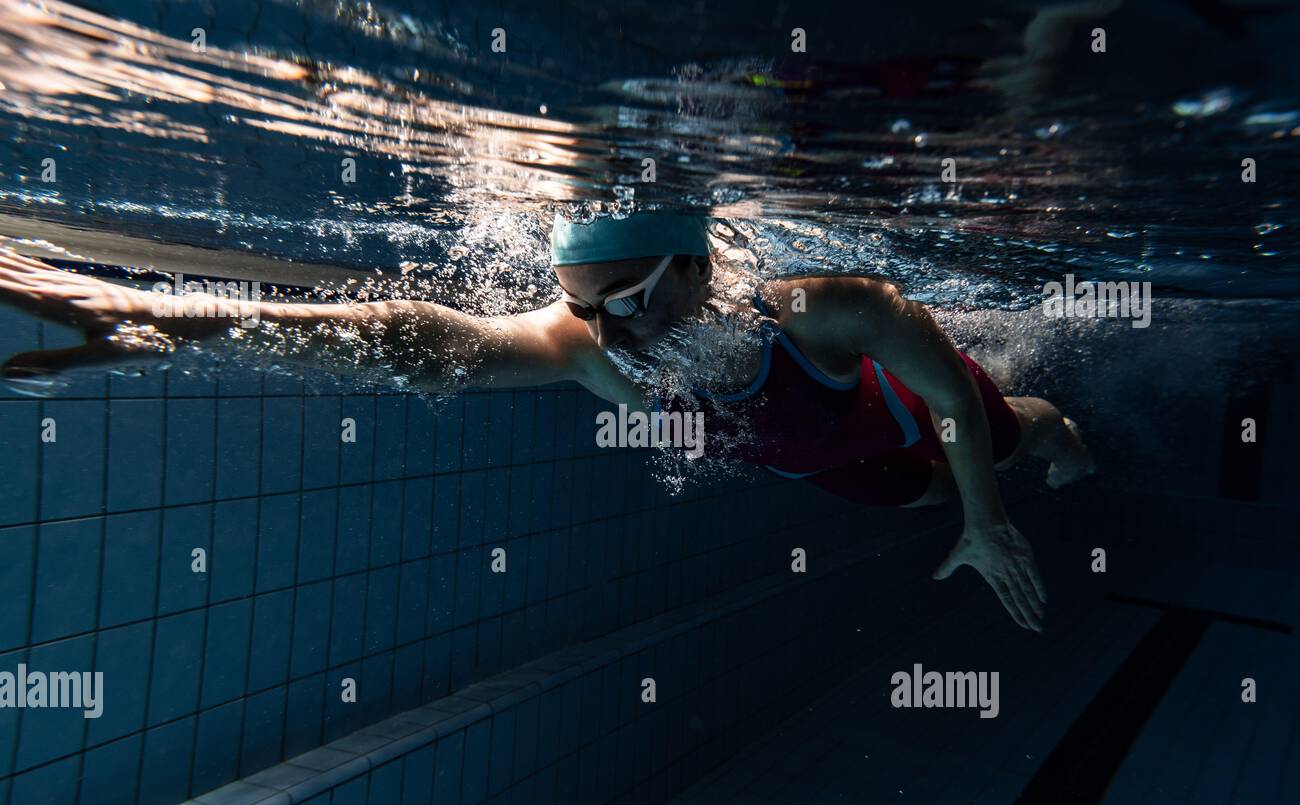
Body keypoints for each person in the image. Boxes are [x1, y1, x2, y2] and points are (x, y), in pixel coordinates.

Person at [0, 212, 1093, 631]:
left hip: (904, 407)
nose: (601, 336)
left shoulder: (829, 308)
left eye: (623, 303)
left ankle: (1056, 433)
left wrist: (993, 519)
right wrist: (176, 319)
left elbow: (946, 392)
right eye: (578, 307)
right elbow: (417, 340)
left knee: (1004, 437)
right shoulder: (581, 338)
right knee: (914, 500)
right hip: (828, 468)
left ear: (699, 271)